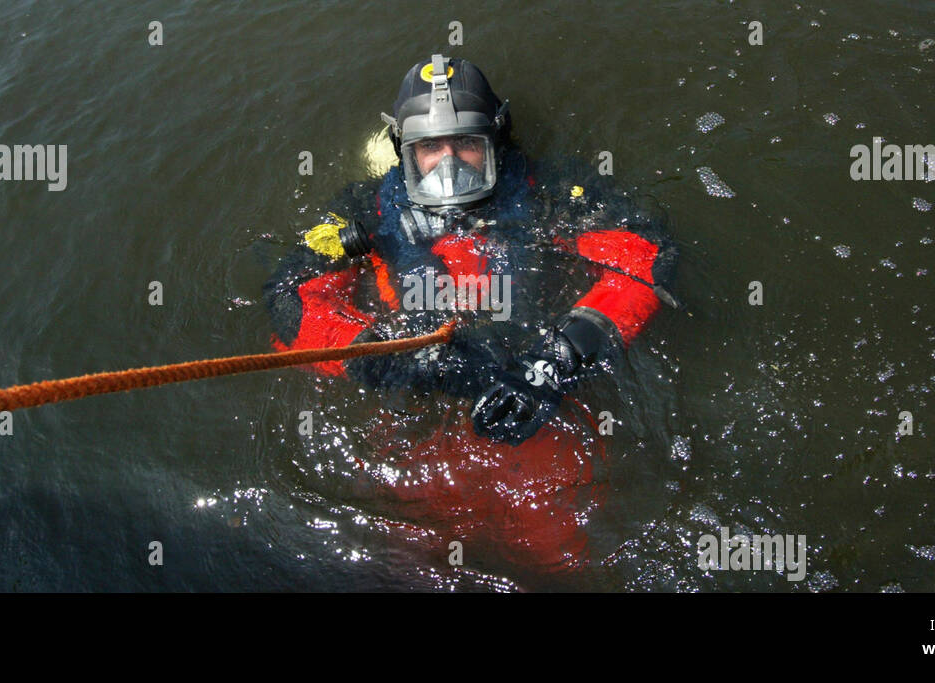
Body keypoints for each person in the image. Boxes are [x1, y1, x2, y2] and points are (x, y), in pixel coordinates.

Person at [264, 54, 678, 571]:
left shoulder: (547, 194)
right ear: (403, 150)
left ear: (496, 139)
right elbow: (292, 299)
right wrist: (386, 358)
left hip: (533, 405)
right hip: (415, 418)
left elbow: (645, 256)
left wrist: (560, 357)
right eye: (429, 148)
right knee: (406, 565)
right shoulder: (364, 210)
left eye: (466, 144)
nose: (450, 163)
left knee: (561, 560)